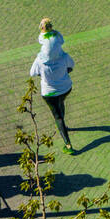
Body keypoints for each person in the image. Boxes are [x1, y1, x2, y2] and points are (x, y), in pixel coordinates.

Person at [30, 19, 76, 153]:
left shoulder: (40, 60)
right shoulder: (63, 56)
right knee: (61, 103)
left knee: (57, 116)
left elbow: (33, 73)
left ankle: (68, 145)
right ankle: (64, 126)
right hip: (66, 88)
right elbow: (71, 66)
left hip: (49, 93)